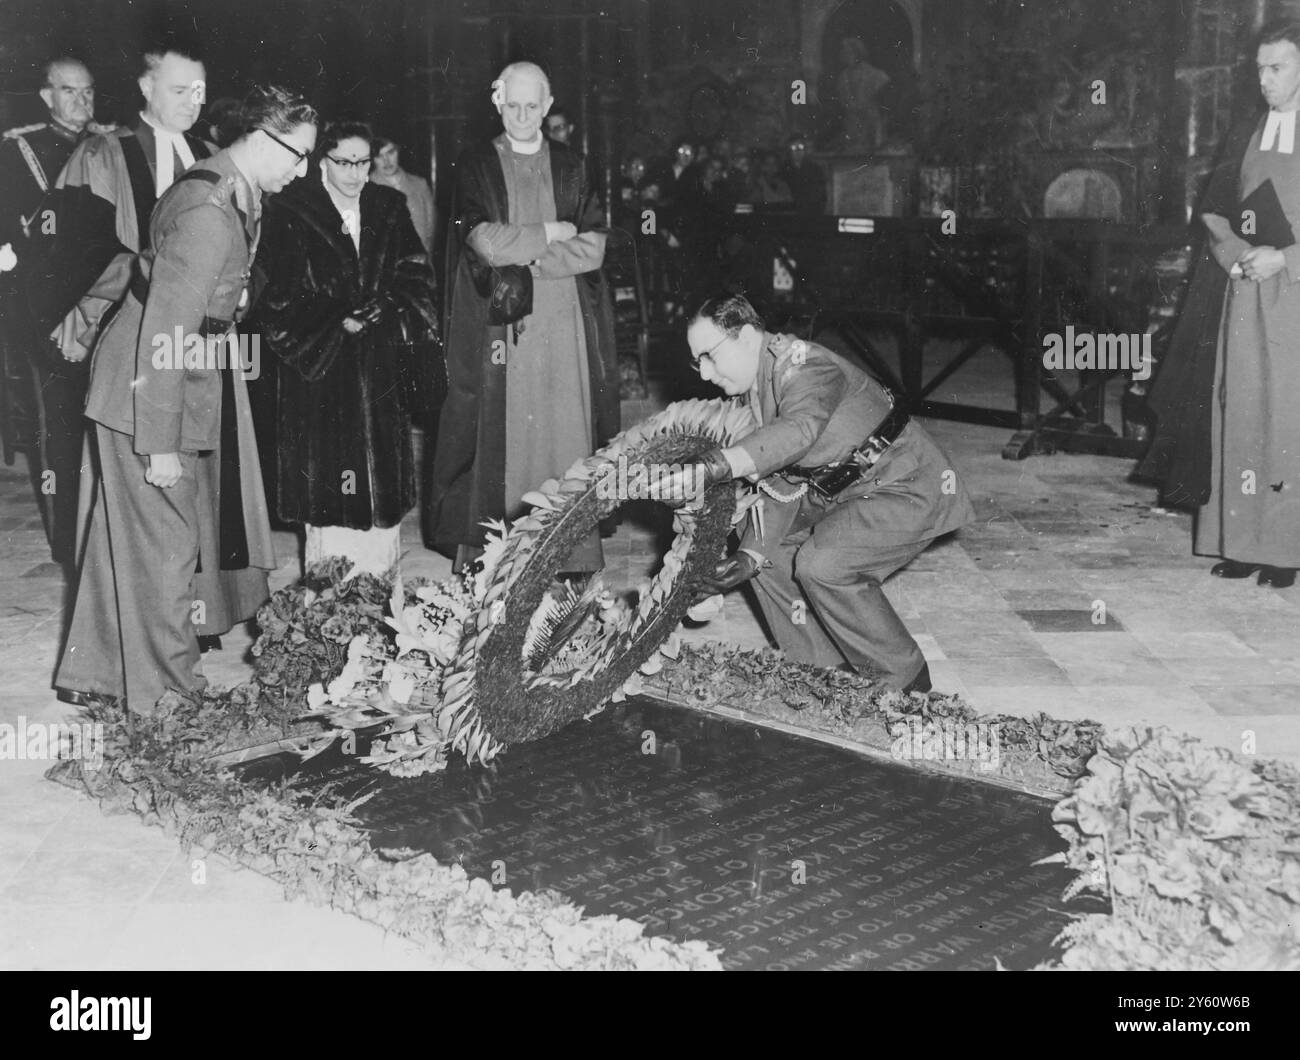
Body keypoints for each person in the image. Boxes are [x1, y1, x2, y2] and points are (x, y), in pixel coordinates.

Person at [53, 85, 318, 714]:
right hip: (148, 390)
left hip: (171, 374)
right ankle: (167, 697)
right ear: (258, 139)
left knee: (128, 541)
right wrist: (160, 443)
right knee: (166, 549)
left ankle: (100, 675)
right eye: (297, 154)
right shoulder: (210, 209)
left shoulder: (236, 189)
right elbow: (165, 330)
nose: (303, 169)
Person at [29, 44, 268, 652]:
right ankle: (143, 635)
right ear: (145, 87)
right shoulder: (104, 154)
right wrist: (95, 313)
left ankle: (199, 617)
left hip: (205, 348)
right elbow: (77, 248)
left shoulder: (217, 160)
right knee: (149, 488)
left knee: (204, 477)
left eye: (199, 90)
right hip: (136, 338)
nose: (192, 102)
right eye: (178, 89)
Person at [655, 295, 974, 691]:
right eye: (695, 361)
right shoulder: (752, 394)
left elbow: (799, 432)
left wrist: (716, 465)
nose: (703, 373)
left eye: (709, 355)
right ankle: (822, 674)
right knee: (762, 555)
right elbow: (781, 480)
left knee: (823, 565)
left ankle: (905, 681)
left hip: (904, 484)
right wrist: (749, 557)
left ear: (749, 336)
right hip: (843, 491)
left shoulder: (803, 363)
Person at [425, 61, 616, 573]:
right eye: (513, 105)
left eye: (533, 105)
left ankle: (569, 556)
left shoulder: (574, 165)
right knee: (498, 440)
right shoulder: (474, 164)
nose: (523, 115)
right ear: (497, 101)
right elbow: (482, 240)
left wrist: (531, 258)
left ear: (548, 106)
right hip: (499, 325)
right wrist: (553, 231)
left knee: (565, 437)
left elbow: (595, 246)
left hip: (564, 324)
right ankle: (495, 557)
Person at [1140, 20, 1300, 590]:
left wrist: (1286, 259)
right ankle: (1239, 542)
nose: (1265, 79)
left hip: (1295, 297)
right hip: (1245, 289)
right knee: (1240, 414)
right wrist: (1235, 254)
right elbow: (1213, 210)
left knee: (1287, 420)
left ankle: (1285, 548)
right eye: (1259, 68)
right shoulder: (1245, 130)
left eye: (1277, 67)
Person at [247, 120, 441, 575]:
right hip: (322, 378)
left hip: (378, 373)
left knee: (381, 499)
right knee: (331, 500)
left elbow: (416, 275)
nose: (356, 173)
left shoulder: (388, 205)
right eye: (343, 162)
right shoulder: (292, 209)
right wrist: (338, 320)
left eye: (363, 162)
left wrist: (386, 307)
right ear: (322, 160)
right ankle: (330, 615)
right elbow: (276, 298)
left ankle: (381, 605)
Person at [0, 58, 102, 564]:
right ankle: (68, 540)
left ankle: (104, 533)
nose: (81, 102)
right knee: (59, 425)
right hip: (46, 310)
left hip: (104, 305)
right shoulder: (20, 149)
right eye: (69, 91)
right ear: (47, 96)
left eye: (87, 92)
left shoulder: (107, 143)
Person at [370, 135, 436, 255]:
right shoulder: (366, 189)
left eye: (390, 152)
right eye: (379, 156)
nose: (386, 161)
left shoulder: (420, 185)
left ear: (398, 150)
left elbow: (430, 233)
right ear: (372, 159)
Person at [783, 136, 826, 215]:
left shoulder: (815, 169)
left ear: (805, 149)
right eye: (793, 148)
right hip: (790, 213)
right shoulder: (784, 170)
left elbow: (821, 194)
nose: (797, 151)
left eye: (800, 147)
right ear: (789, 151)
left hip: (811, 212)